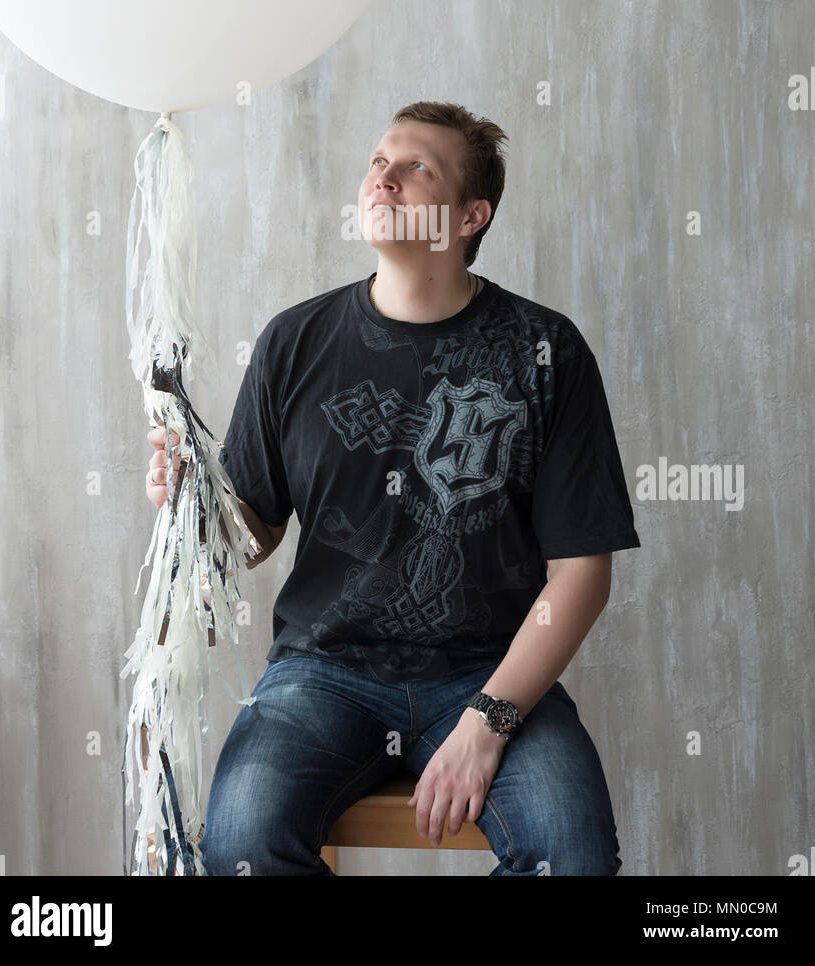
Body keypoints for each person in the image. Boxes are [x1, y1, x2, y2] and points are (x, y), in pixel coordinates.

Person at [146, 100, 640, 876]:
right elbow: (252, 537)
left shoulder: (545, 350)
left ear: (470, 215)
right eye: (378, 161)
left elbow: (581, 571)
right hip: (321, 671)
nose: (384, 176)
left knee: (571, 852)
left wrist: (488, 722)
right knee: (241, 843)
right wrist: (191, 505)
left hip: (489, 668)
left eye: (417, 168)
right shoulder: (294, 341)